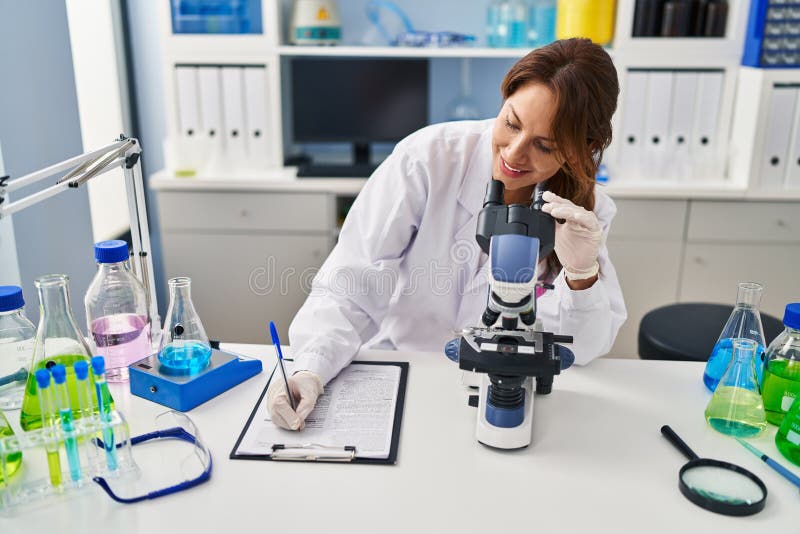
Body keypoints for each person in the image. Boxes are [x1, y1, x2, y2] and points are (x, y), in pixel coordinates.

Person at [268, 38, 627, 431]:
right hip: (401, 367)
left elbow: (586, 348)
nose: (514, 153)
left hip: (502, 386)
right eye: (511, 123)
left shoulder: (584, 214)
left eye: (543, 145)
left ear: (582, 149)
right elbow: (351, 281)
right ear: (504, 100)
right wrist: (311, 369)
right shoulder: (427, 159)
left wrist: (581, 272)